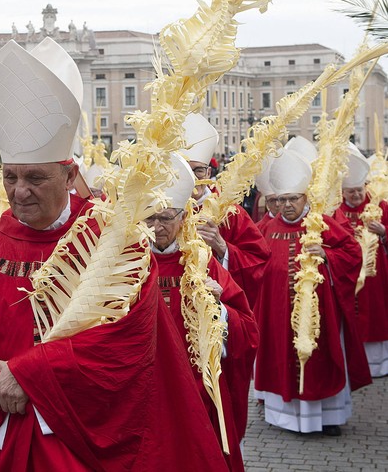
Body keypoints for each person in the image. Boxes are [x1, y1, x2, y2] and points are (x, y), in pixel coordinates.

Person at [0, 38, 227, 470]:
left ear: (70, 175)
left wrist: (29, 375)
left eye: (35, 177)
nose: (19, 191)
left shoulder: (114, 246)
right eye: (10, 177)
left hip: (80, 441)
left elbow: (128, 342)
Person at [150, 154, 259, 472]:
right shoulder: (128, 265)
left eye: (166, 218)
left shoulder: (201, 261)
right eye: (149, 218)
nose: (157, 227)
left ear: (183, 219)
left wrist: (219, 310)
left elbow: (247, 328)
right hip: (147, 385)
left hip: (199, 382)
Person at [253, 148, 371, 436]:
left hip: (320, 316)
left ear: (305, 198)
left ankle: (326, 417)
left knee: (319, 362)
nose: (287, 205)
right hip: (280, 314)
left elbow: (352, 252)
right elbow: (251, 262)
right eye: (282, 200)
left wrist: (327, 255)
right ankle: (287, 417)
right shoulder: (267, 228)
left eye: (293, 198)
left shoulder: (320, 224)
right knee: (283, 358)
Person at [182, 114, 270, 313]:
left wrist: (221, 246)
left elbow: (259, 262)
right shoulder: (162, 213)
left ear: (209, 174)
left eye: (198, 171)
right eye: (185, 170)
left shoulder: (231, 213)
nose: (192, 177)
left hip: (221, 307)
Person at [333, 145, 388, 377]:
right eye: (351, 191)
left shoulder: (379, 207)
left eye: (360, 190)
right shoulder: (335, 211)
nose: (357, 196)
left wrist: (384, 231)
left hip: (376, 277)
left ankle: (379, 364)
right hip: (347, 277)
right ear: (343, 192)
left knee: (376, 315)